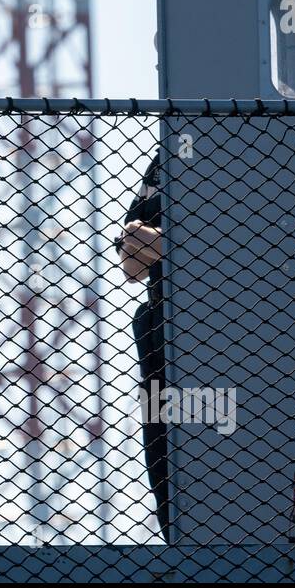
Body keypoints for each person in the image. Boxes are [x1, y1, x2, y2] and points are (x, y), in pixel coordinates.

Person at [116, 153, 171, 543]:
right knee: (169, 472)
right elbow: (131, 262)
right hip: (166, 338)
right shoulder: (164, 158)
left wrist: (162, 246)